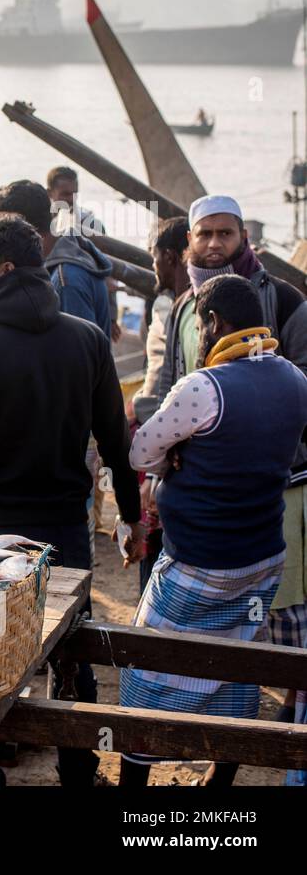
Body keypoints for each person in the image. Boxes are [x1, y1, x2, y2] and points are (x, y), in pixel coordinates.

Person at [0, 211, 142, 786]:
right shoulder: (89, 339)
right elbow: (117, 443)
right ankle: (77, 767)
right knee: (73, 645)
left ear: (6, 269)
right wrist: (133, 514)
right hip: (66, 523)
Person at [121, 274, 307, 787]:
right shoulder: (294, 378)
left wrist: (180, 455)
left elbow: (141, 453)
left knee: (150, 670)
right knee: (235, 660)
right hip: (262, 559)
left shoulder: (203, 387)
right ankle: (221, 777)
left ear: (212, 323)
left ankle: (135, 778)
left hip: (196, 563)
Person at [149, 194, 307, 720]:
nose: (215, 244)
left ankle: (281, 714)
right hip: (192, 502)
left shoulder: (284, 301)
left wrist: (253, 454)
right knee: (203, 633)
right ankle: (205, 720)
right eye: (205, 234)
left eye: (226, 234)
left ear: (244, 240)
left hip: (270, 490)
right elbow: (165, 384)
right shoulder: (180, 307)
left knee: (272, 621)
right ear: (188, 242)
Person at [132, 217, 189, 591]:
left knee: (156, 528)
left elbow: (167, 382)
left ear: (167, 256)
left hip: (164, 435)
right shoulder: (170, 303)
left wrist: (155, 467)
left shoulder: (175, 308)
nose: (153, 266)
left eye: (154, 257)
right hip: (160, 430)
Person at [0, 179, 113, 339]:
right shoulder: (63, 264)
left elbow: (79, 356)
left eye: (6, 237)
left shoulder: (66, 281)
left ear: (24, 231)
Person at [46, 166, 106, 240]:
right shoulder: (39, 223)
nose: (72, 199)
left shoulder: (93, 226)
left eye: (74, 193)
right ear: (49, 193)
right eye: (65, 194)